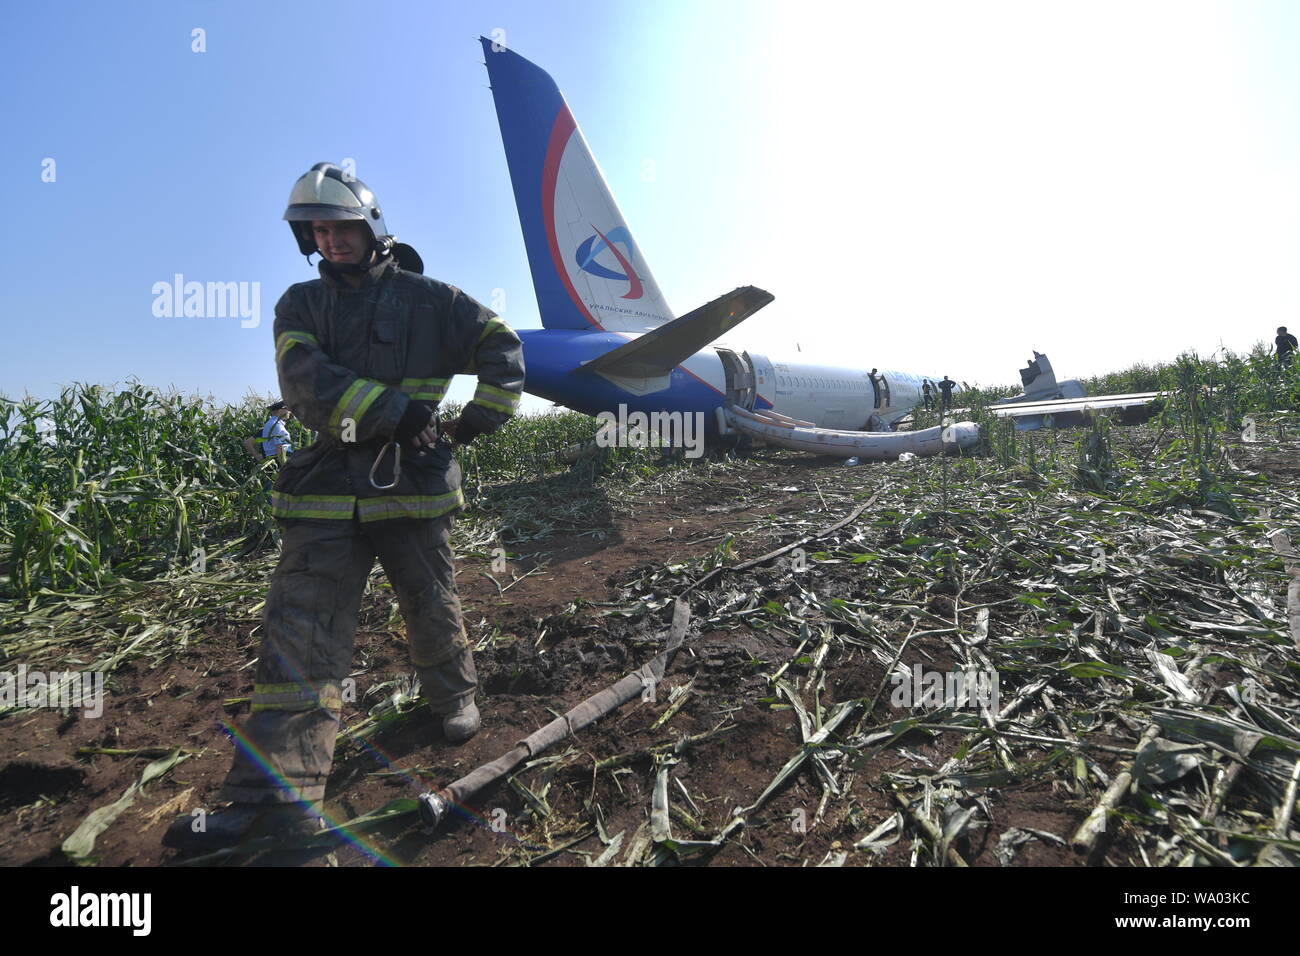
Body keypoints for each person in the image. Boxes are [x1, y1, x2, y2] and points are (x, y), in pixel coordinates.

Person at [164, 162, 524, 852]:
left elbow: (502, 348)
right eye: (317, 229)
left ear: (372, 226)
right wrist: (394, 409)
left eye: (341, 226)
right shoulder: (298, 305)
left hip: (411, 484)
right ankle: (274, 795)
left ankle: (453, 699)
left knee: (430, 597)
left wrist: (476, 421)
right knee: (299, 630)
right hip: (327, 487)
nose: (330, 239)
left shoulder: (434, 299)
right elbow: (303, 380)